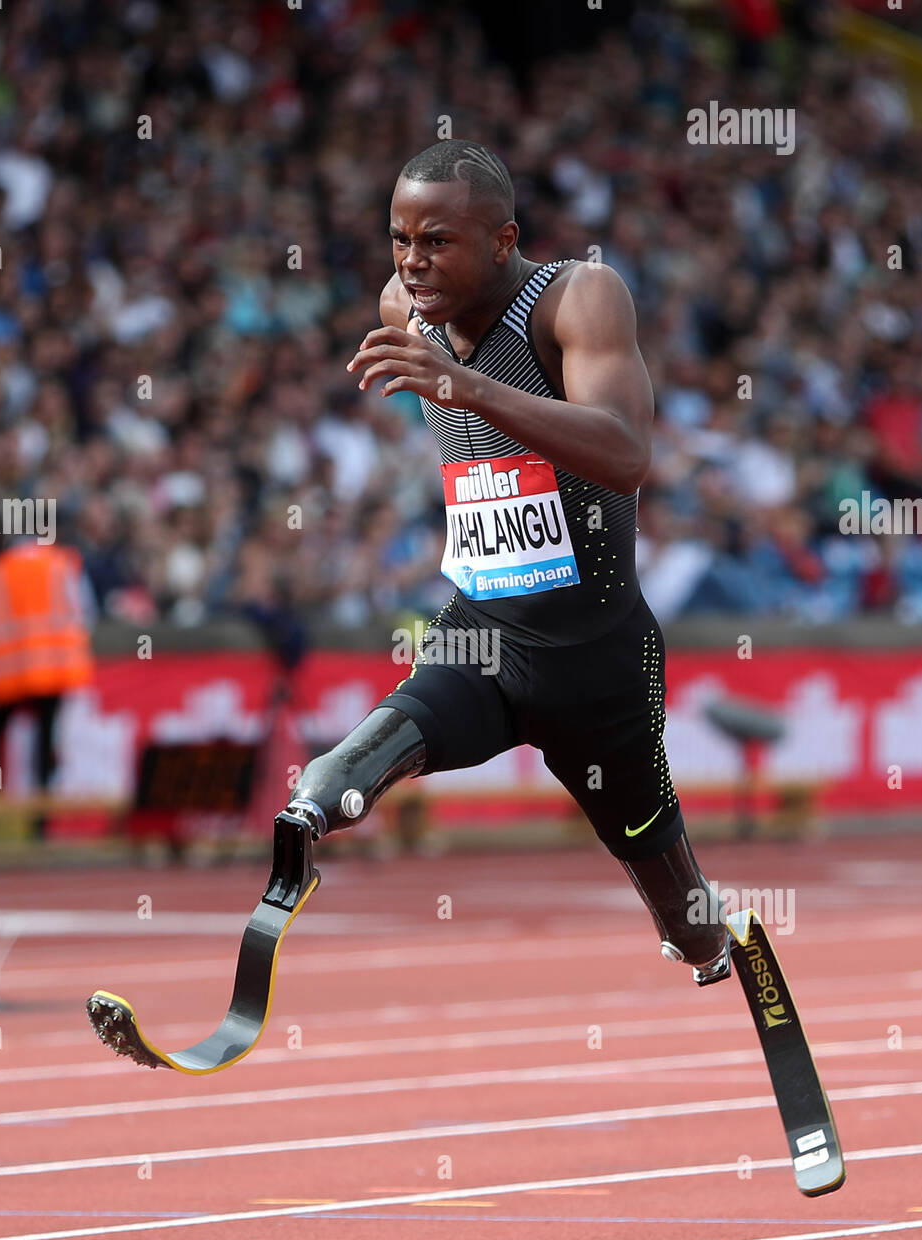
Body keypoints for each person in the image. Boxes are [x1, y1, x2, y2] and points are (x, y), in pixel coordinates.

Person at [285, 140, 730, 984]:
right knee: (336, 779)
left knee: (686, 916)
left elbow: (628, 454)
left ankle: (707, 937)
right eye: (399, 239)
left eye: (437, 241)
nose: (413, 264)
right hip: (481, 635)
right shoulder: (400, 306)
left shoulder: (577, 298)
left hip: (598, 660)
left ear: (501, 238)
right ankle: (299, 832)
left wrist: (463, 386)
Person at [0, 538, 94, 799]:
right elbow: (86, 614)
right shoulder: (62, 564)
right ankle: (43, 807)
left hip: (9, 671)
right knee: (46, 736)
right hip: (53, 668)